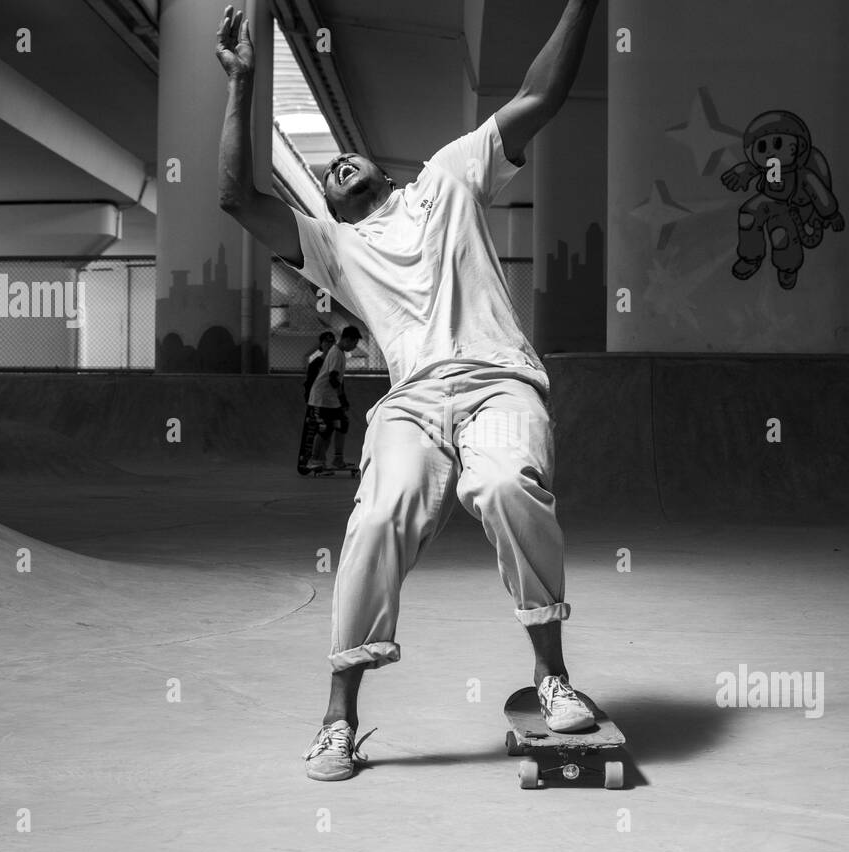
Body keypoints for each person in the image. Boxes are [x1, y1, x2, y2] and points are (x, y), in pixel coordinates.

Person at [216, 0, 602, 781]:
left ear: (383, 172)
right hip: (413, 403)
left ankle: (552, 673)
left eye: (345, 161)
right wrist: (242, 83)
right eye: (327, 177)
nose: (335, 168)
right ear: (326, 209)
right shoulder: (332, 245)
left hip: (499, 383)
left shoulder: (449, 175)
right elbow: (237, 198)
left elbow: (539, 98)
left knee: (502, 485)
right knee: (379, 515)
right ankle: (338, 717)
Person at [306, 325, 361, 472]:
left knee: (342, 424)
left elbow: (339, 381)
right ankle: (314, 460)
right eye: (354, 343)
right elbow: (333, 379)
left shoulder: (341, 353)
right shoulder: (336, 353)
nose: (355, 347)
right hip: (321, 398)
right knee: (325, 428)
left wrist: (343, 399)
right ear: (348, 340)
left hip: (331, 399)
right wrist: (342, 398)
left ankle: (337, 459)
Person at [303, 330, 336, 403]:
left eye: (331, 342)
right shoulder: (315, 364)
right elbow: (310, 383)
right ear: (321, 344)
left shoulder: (336, 362)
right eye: (326, 341)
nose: (329, 344)